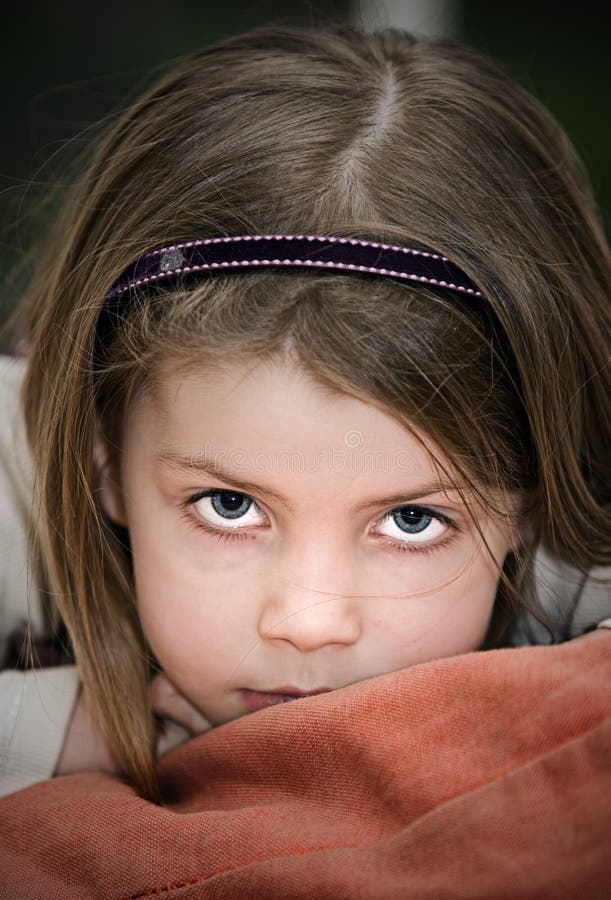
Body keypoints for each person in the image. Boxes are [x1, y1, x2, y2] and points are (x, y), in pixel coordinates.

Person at [0, 22, 609, 806]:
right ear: (103, 457)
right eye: (229, 505)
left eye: (412, 521)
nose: (311, 620)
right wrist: (67, 727)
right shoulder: (20, 474)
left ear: (527, 499)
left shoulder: (570, 525)